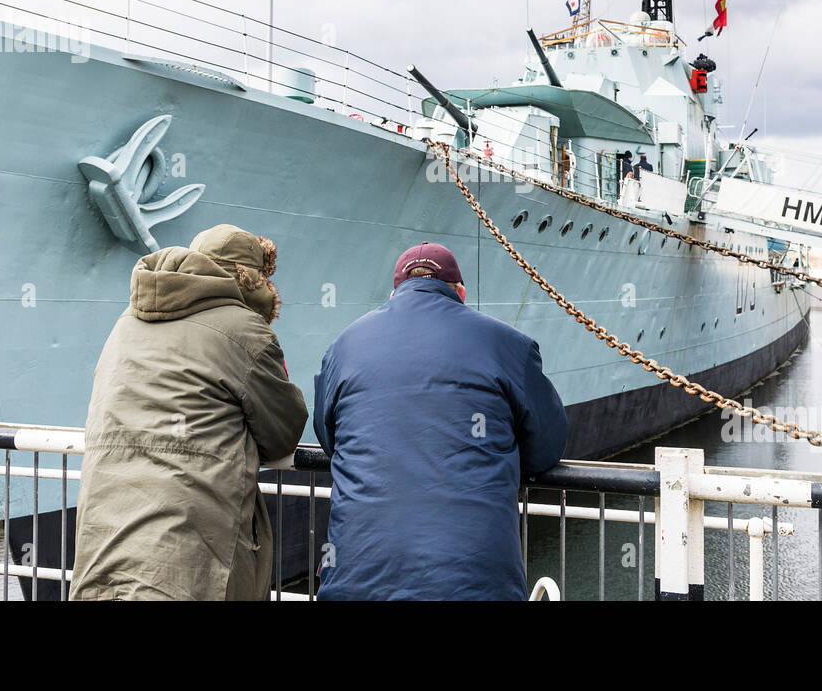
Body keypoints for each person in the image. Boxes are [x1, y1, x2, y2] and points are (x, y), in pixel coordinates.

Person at [313, 242, 568, 601]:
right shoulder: (509, 345)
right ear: (460, 293)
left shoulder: (342, 346)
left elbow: (329, 438)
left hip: (355, 581)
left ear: (394, 292)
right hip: (473, 585)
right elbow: (546, 448)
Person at [71, 224, 308, 600]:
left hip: (103, 547)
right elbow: (283, 432)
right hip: (192, 562)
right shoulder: (245, 329)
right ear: (250, 280)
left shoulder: (125, 324)